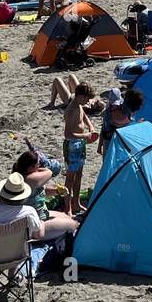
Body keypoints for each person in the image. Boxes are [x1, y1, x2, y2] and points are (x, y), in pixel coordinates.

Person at [63, 84, 97, 213]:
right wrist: (86, 135)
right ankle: (68, 207)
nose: (88, 102)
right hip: (72, 145)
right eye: (87, 99)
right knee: (70, 178)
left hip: (80, 144)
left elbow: (84, 116)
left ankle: (76, 203)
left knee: (79, 175)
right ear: (81, 96)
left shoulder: (79, 105)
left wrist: (90, 126)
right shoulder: (71, 110)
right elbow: (67, 134)